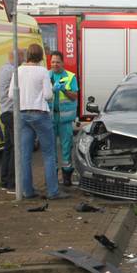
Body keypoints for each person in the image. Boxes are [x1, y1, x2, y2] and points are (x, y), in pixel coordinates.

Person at [10, 43, 68, 200]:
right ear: (41, 56)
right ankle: (53, 191)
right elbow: (48, 95)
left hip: (22, 115)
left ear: (28, 55)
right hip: (40, 114)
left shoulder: (18, 71)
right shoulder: (42, 71)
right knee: (49, 154)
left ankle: (27, 191)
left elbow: (11, 95)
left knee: (25, 155)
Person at [48, 51, 79, 187]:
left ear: (62, 62)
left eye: (57, 62)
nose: (55, 64)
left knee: (66, 148)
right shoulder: (46, 76)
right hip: (49, 118)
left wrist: (63, 90)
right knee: (50, 148)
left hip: (65, 120)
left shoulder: (69, 77)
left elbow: (74, 96)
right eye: (53, 61)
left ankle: (67, 177)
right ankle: (52, 177)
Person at [0, 50, 16, 192]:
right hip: (12, 113)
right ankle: (12, 183)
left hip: (5, 112)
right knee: (16, 149)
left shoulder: (3, 69)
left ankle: (4, 181)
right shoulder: (13, 71)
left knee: (8, 148)